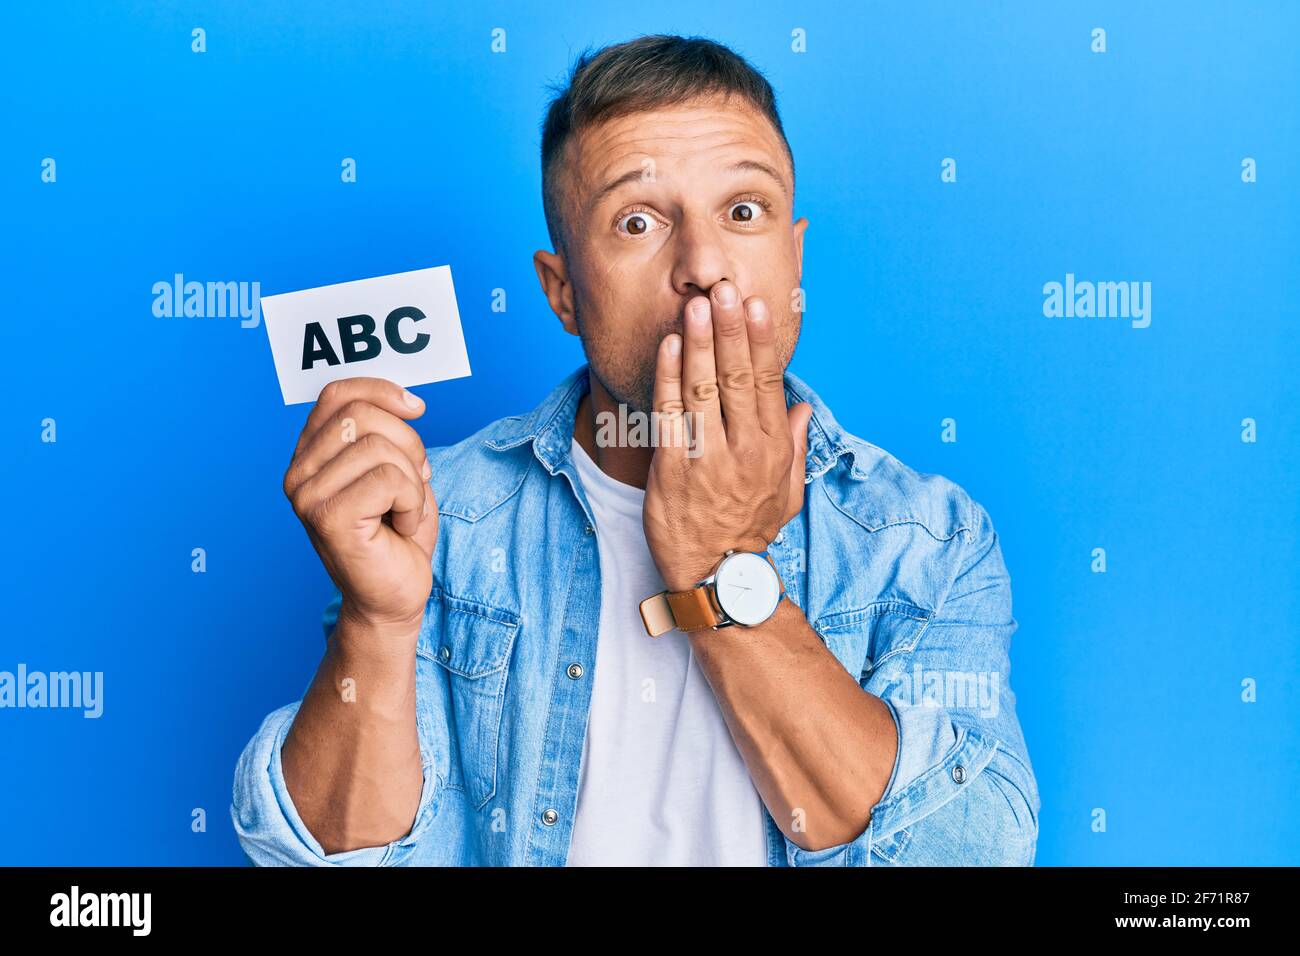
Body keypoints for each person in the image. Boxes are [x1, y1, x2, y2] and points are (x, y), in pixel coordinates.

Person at [231, 33, 1039, 866]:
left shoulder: (928, 541)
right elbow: (326, 859)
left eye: (743, 211)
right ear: (564, 291)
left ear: (794, 258)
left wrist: (720, 565)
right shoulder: (441, 519)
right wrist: (377, 619)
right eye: (639, 221)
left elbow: (967, 849)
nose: (703, 267)